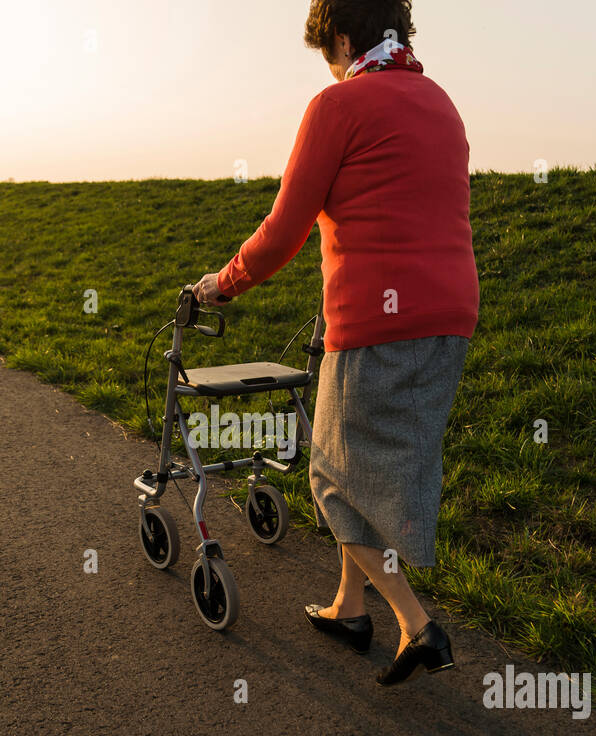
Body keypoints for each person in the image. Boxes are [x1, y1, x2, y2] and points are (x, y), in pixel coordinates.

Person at [193, 0, 479, 686]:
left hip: (377, 325)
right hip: (450, 318)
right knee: (354, 468)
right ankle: (349, 607)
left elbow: (285, 224)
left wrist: (224, 283)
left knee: (331, 481)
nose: (332, 67)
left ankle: (416, 623)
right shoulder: (440, 102)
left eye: (330, 54)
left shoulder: (339, 106)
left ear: (344, 40)